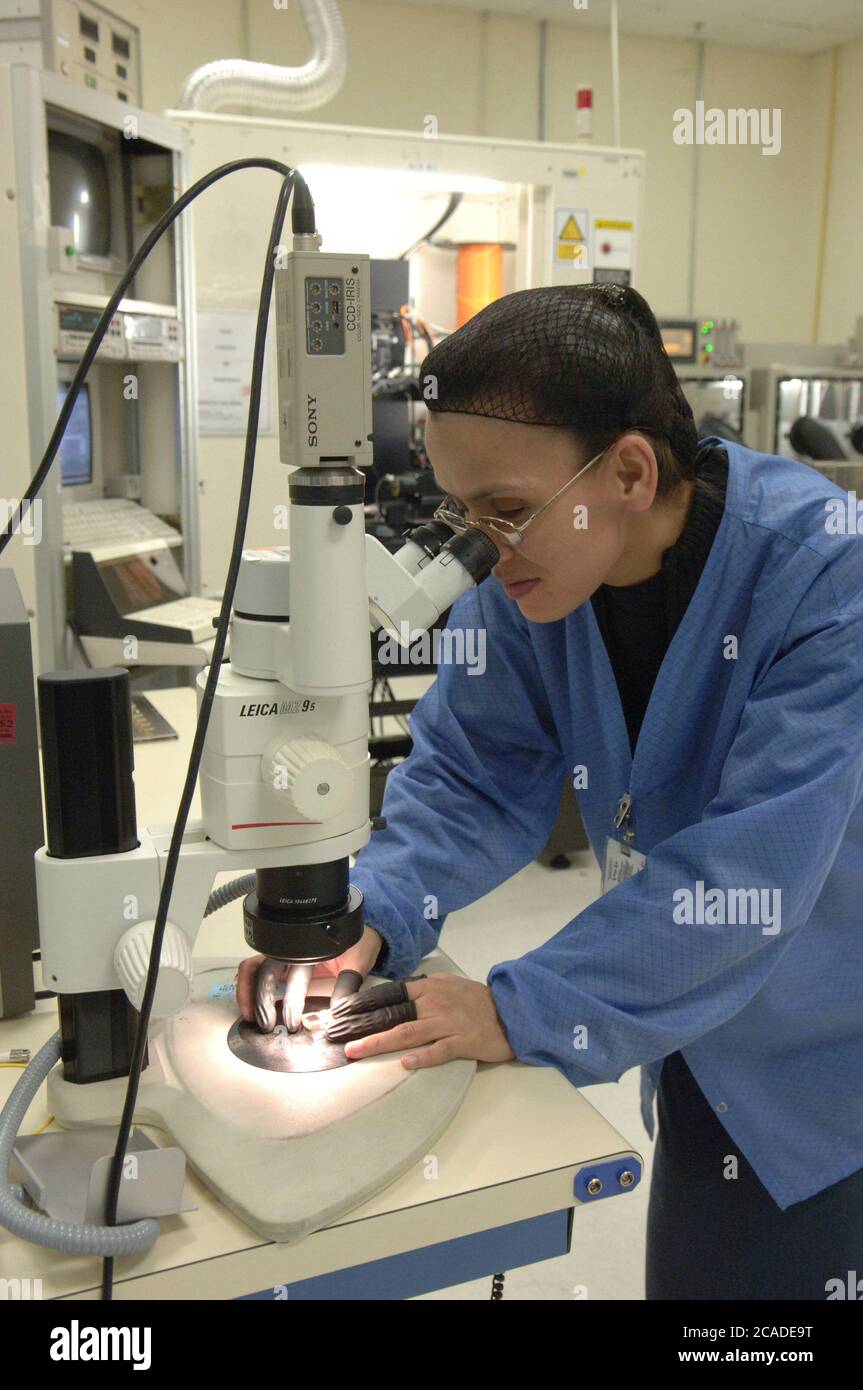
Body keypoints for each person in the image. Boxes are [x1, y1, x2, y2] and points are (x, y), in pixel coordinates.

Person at [239, 283, 863, 1300]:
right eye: (460, 514)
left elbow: (752, 872)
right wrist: (370, 919)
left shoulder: (824, 570)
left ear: (625, 470)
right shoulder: (530, 583)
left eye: (506, 512)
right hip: (697, 1030)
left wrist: (518, 1009)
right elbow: (470, 780)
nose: (478, 550)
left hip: (823, 1059)